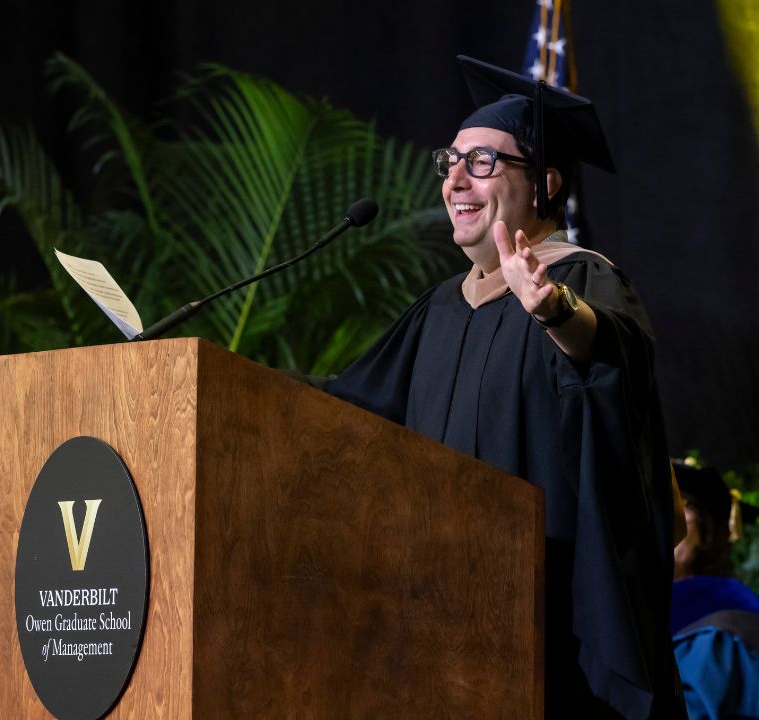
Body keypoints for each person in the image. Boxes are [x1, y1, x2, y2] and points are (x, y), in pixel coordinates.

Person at [324, 57, 684, 718]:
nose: (455, 180)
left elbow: (607, 355)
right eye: (451, 162)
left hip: (549, 640)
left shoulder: (582, 282)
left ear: (544, 185)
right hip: (440, 631)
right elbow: (344, 406)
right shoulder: (439, 309)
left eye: (482, 163)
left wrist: (550, 309)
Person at [671, 461, 759, 719]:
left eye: (683, 503)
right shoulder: (627, 605)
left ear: (708, 529)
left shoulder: (731, 608)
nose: (667, 515)